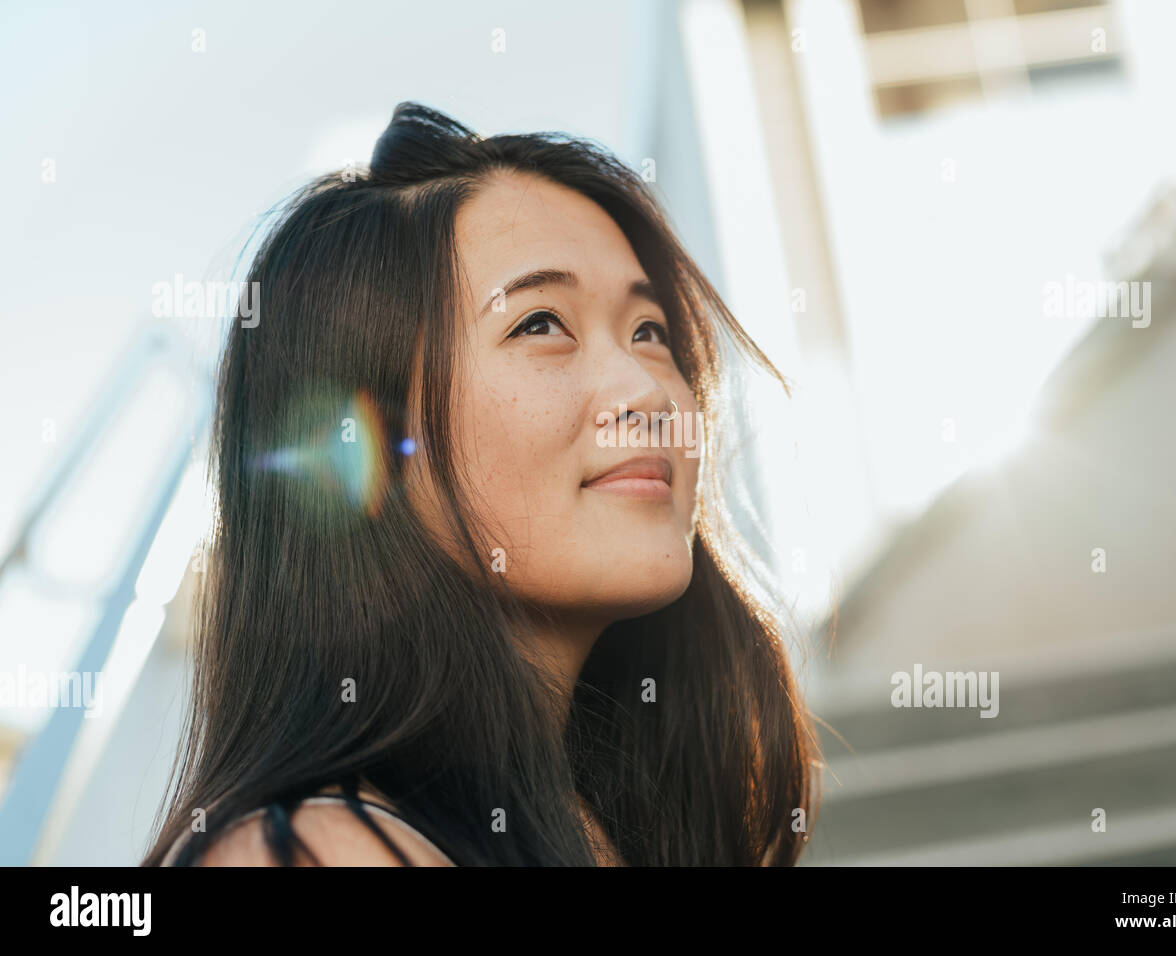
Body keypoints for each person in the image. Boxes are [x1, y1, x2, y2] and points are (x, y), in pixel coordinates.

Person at [143, 101, 820, 867]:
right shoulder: (317, 854)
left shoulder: (608, 827)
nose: (647, 391)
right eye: (540, 324)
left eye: (649, 332)